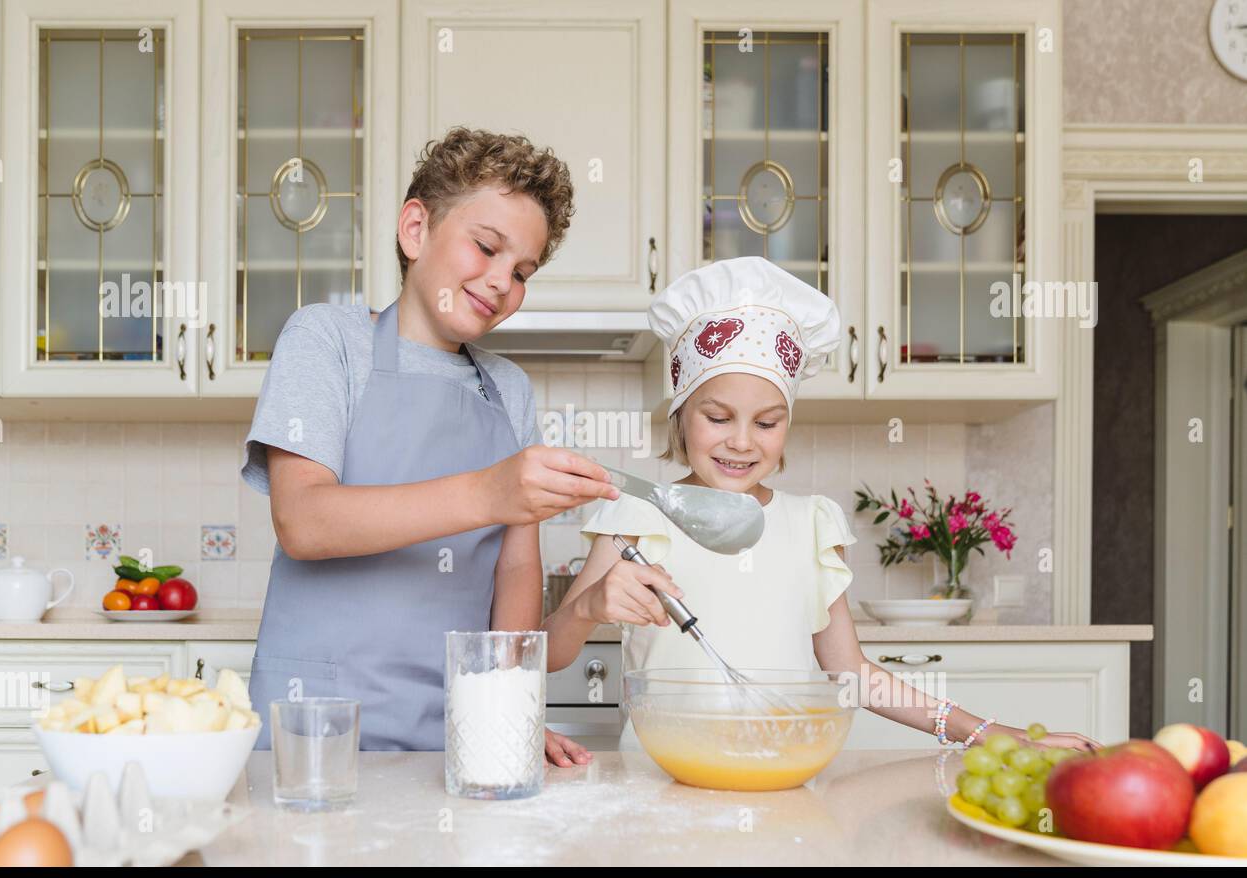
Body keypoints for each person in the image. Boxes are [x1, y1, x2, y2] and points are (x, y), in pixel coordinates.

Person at [543, 256, 1101, 754]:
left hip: (776, 775)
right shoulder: (635, 516)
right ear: (680, 414)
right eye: (717, 418)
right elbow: (547, 656)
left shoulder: (809, 524)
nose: (742, 441)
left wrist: (991, 736)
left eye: (767, 422)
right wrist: (588, 606)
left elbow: (852, 671)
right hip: (659, 780)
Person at [240, 127, 615, 764]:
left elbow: (516, 571)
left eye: (522, 271)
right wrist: (488, 491)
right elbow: (303, 520)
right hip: (313, 733)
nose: (502, 282)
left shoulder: (508, 390)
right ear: (416, 230)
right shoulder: (326, 341)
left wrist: (511, 713)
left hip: (454, 735)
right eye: (487, 248)